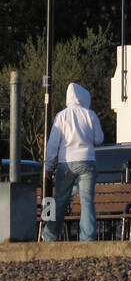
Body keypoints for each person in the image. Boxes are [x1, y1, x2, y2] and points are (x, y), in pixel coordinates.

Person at [42, 82, 103, 242]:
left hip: (66, 162)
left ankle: (50, 235)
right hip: (87, 161)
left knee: (60, 200)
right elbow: (99, 139)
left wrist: (48, 165)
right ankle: (88, 238)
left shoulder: (61, 116)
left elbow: (53, 143)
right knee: (87, 201)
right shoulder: (90, 115)